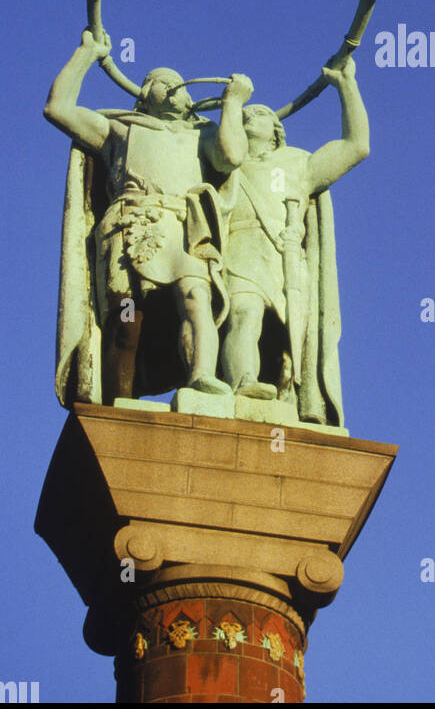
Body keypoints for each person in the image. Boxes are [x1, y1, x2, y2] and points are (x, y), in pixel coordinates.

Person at [44, 29, 252, 402]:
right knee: (128, 319)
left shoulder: (200, 135)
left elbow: (233, 157)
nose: (175, 88)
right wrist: (87, 53)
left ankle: (201, 377)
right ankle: (120, 400)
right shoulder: (119, 128)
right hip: (130, 228)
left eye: (180, 84)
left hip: (184, 230)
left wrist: (233, 104)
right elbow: (57, 108)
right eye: (164, 82)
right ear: (144, 93)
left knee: (195, 297)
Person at [219, 56, 368, 424]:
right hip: (240, 249)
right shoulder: (223, 158)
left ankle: (289, 395)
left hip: (286, 260)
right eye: (245, 113)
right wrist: (230, 102)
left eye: (261, 113)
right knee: (243, 314)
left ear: (276, 129)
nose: (250, 114)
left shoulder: (299, 163)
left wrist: (346, 85)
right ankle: (242, 385)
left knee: (290, 346)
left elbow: (356, 145)